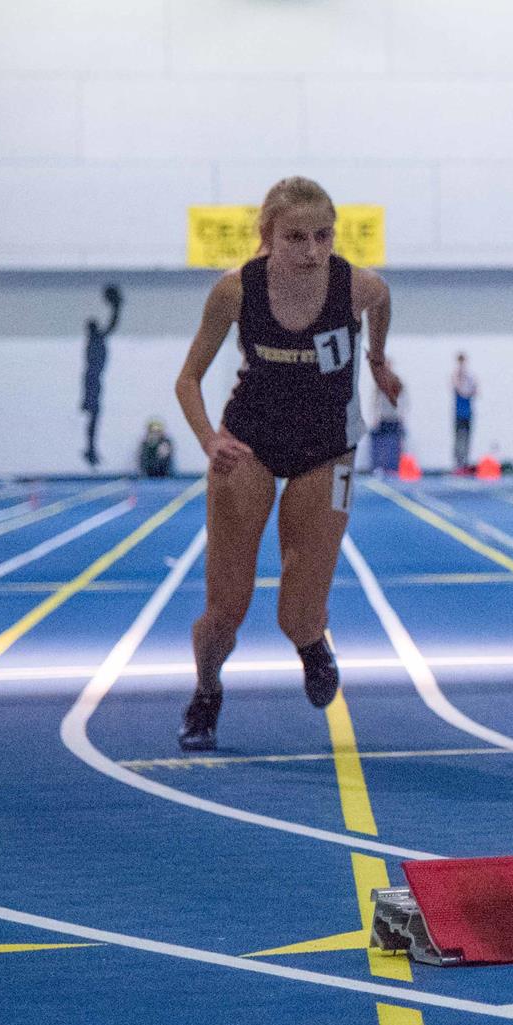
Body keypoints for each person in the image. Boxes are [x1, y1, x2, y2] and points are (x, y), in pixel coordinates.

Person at [171, 177, 400, 752]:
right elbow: (188, 379)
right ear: (268, 237)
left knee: (298, 614)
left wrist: (375, 357)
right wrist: (207, 439)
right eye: (295, 237)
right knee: (226, 610)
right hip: (248, 444)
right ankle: (206, 691)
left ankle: (311, 645)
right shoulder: (236, 291)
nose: (311, 251)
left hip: (331, 451)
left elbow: (384, 299)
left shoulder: (355, 287)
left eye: (323, 237)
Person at [81, 285, 122, 468]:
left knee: (94, 418)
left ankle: (91, 449)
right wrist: (116, 307)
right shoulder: (96, 340)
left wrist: (116, 307)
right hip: (93, 382)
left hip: (92, 381)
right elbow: (111, 326)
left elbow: (110, 326)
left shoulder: (94, 341)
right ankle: (90, 450)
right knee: (94, 418)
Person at [449, 354, 478, 471]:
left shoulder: (470, 376)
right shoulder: (455, 376)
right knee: (458, 439)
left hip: (468, 412)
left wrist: (469, 380)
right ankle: (458, 464)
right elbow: (459, 390)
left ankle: (465, 462)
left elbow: (475, 390)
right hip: (458, 413)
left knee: (467, 439)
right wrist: (460, 375)